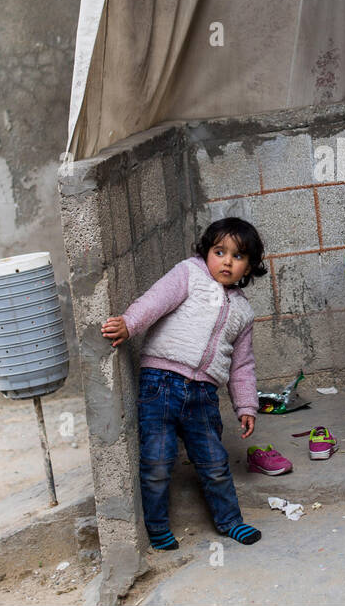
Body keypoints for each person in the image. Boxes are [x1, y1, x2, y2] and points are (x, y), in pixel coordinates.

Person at [102, 218, 266, 549]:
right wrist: (129, 324)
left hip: (203, 395)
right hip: (160, 383)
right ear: (206, 252)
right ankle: (158, 526)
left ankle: (230, 520)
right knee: (157, 461)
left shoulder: (244, 312)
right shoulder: (188, 274)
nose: (227, 262)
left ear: (249, 267)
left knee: (214, 463)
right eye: (219, 252)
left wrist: (247, 405)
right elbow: (155, 300)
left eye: (238, 256)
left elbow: (242, 364)